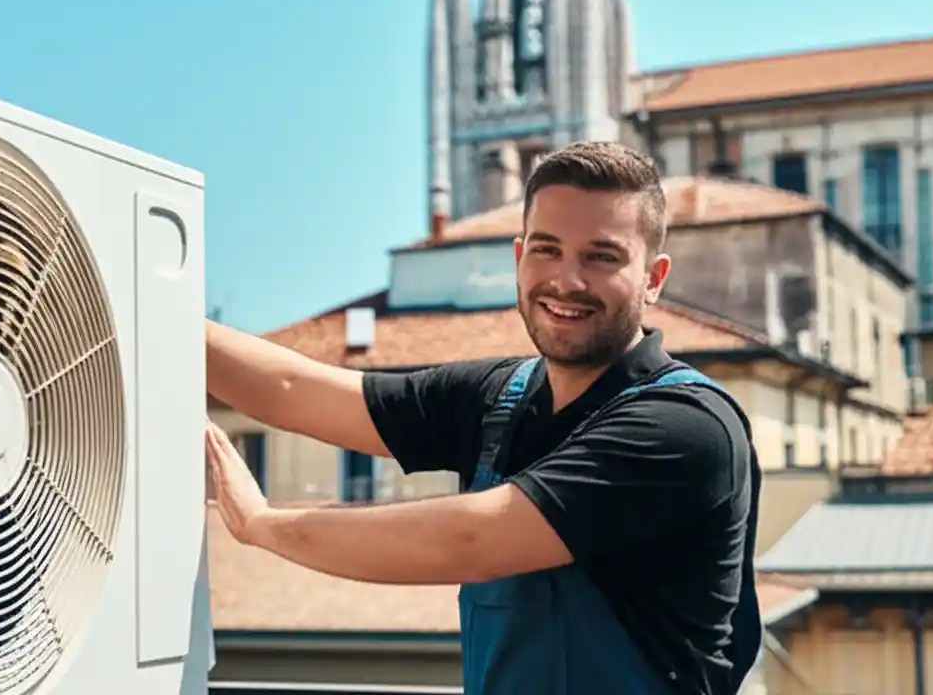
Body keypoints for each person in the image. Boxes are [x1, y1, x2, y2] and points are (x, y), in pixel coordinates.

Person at [203, 141, 762, 695]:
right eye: (547, 249)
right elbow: (293, 389)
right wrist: (142, 307)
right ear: (518, 259)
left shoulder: (685, 427)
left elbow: (470, 539)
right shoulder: (499, 399)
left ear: (653, 277)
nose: (568, 281)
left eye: (602, 256)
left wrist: (263, 525)